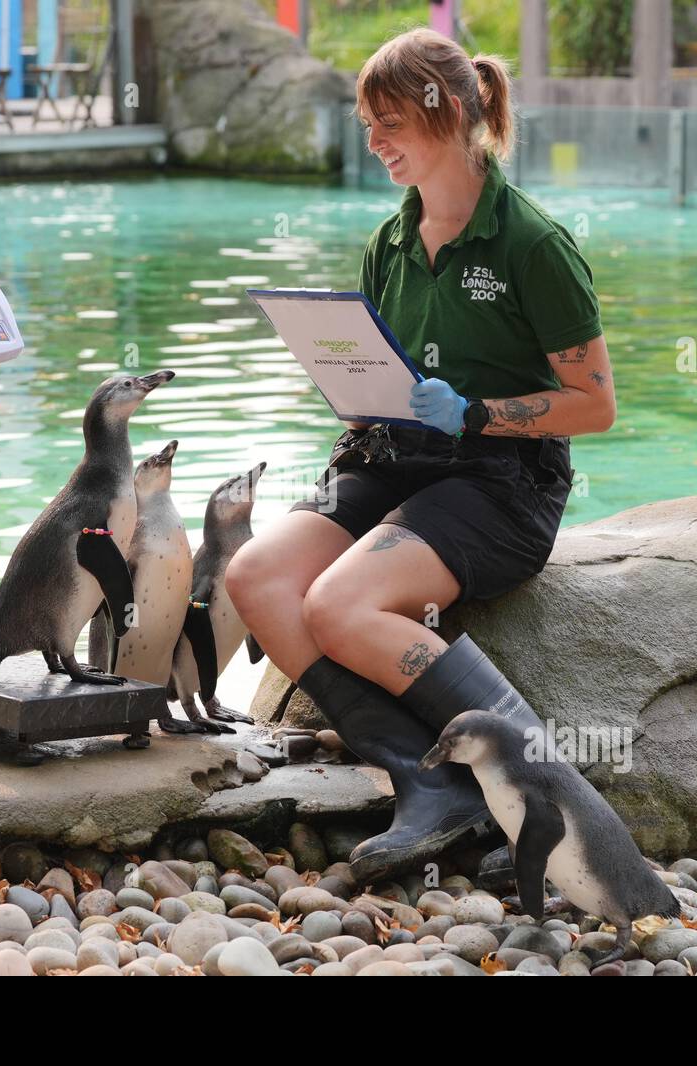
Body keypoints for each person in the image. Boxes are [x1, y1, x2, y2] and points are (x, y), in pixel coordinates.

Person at [225, 27, 616, 884]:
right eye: (368, 124)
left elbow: (596, 405)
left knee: (338, 606)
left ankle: (507, 782)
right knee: (254, 577)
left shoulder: (532, 245)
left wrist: (475, 413)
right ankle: (422, 777)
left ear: (448, 118)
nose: (374, 142)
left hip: (502, 483)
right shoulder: (390, 242)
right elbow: (382, 372)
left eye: (389, 122)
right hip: (395, 460)